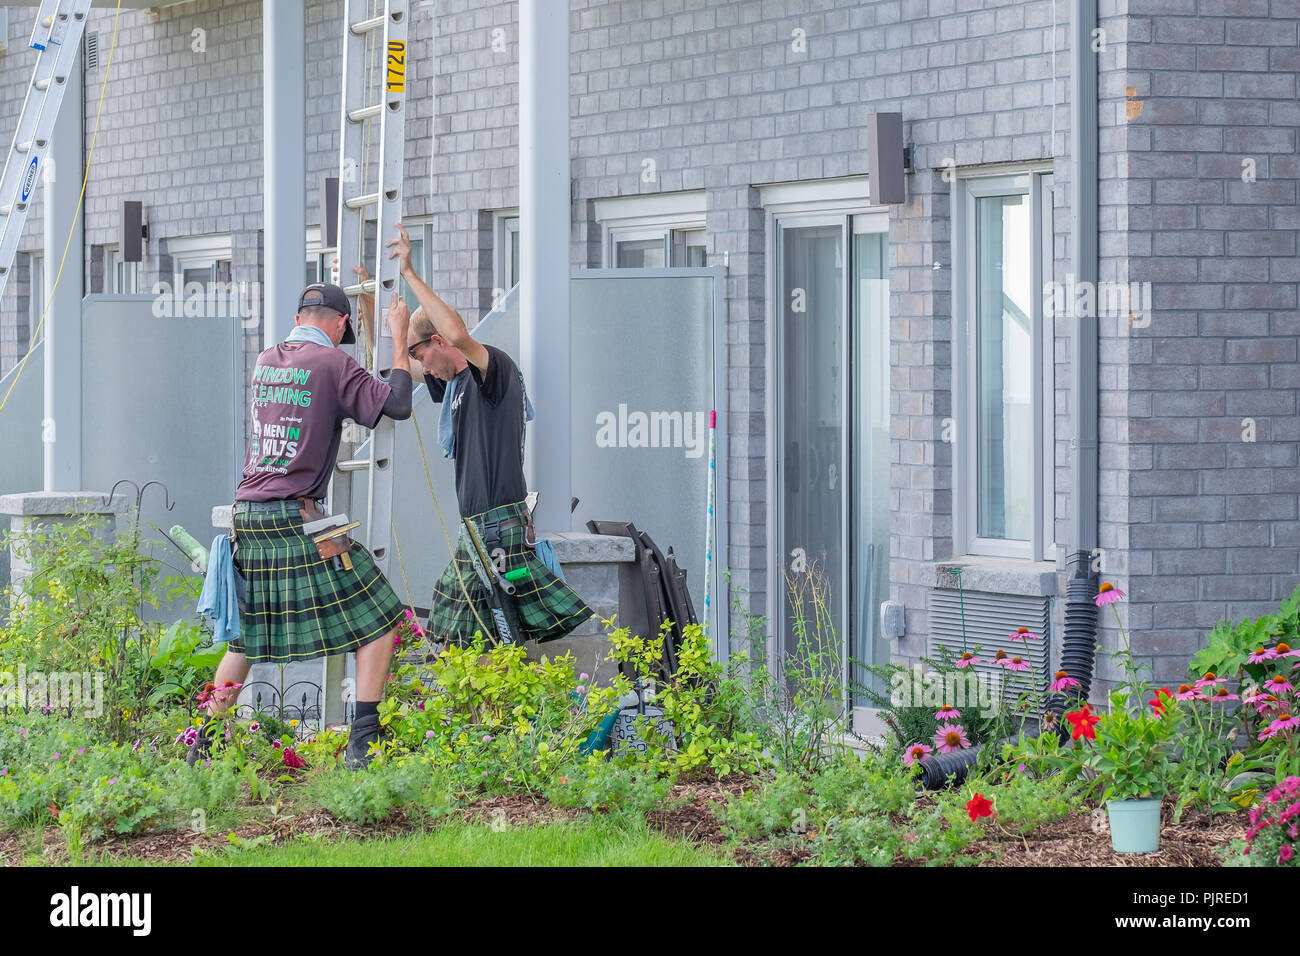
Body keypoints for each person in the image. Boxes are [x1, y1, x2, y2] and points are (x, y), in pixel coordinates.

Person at [190, 282, 413, 770]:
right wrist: (397, 338)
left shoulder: (267, 359)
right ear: (337, 324)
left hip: (248, 516)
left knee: (247, 638)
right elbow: (396, 405)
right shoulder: (333, 363)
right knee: (380, 620)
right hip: (297, 516)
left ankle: (201, 744)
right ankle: (363, 742)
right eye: (344, 328)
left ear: (299, 316)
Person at [357, 223, 592, 648]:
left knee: (488, 630)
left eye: (420, 353)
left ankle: (500, 705)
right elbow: (393, 373)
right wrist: (376, 319)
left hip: (497, 525)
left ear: (439, 340)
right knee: (468, 632)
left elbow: (461, 334)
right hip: (478, 526)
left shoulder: (491, 372)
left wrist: (410, 273)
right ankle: (489, 707)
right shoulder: (452, 386)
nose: (422, 366)